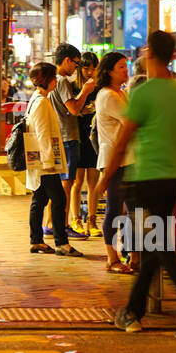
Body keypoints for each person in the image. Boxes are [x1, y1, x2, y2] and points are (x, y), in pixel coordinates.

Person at [99, 31, 176, 339]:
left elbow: (124, 139)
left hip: (145, 178)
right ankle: (132, 313)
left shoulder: (144, 93)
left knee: (159, 246)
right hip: (173, 180)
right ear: (173, 56)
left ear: (150, 53)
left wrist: (106, 177)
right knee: (154, 248)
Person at [25, 62, 83, 257]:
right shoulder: (41, 102)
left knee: (39, 199)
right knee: (58, 199)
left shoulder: (38, 99)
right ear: (49, 80)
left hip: (39, 160)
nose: (56, 81)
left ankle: (36, 241)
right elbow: (42, 134)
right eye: (54, 78)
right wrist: (49, 163)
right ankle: (61, 243)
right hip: (44, 162)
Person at [91, 52, 133, 273]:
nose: (126, 70)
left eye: (126, 66)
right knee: (114, 209)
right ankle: (112, 258)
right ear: (108, 71)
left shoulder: (121, 94)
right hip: (114, 160)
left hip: (128, 158)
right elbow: (132, 121)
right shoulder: (108, 96)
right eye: (121, 67)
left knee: (133, 210)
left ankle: (133, 256)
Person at [74, 55, 101, 236]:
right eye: (86, 68)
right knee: (77, 181)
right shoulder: (75, 87)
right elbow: (71, 110)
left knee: (93, 182)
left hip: (94, 138)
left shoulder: (99, 89)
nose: (90, 72)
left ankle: (92, 221)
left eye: (93, 68)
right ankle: (76, 220)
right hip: (77, 137)